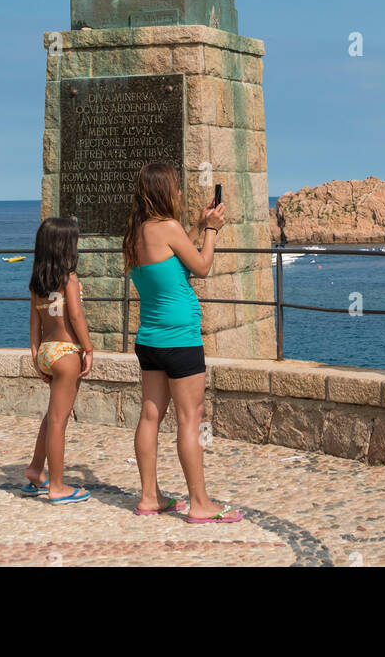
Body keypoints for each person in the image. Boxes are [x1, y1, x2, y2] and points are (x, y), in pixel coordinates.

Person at [122, 161, 242, 523]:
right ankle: (200, 503)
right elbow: (202, 266)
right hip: (181, 340)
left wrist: (197, 225)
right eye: (175, 188)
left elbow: (172, 255)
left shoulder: (137, 233)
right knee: (191, 419)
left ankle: (149, 497)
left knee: (150, 415)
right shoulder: (169, 228)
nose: (179, 193)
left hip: (150, 339)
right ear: (162, 192)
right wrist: (212, 231)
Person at [22, 216, 94, 502]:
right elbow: (75, 316)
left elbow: (33, 326)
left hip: (46, 352)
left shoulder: (37, 283)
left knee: (52, 414)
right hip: (66, 353)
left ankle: (36, 469)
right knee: (59, 420)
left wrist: (36, 357)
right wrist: (87, 349)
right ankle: (58, 486)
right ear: (66, 247)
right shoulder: (69, 279)